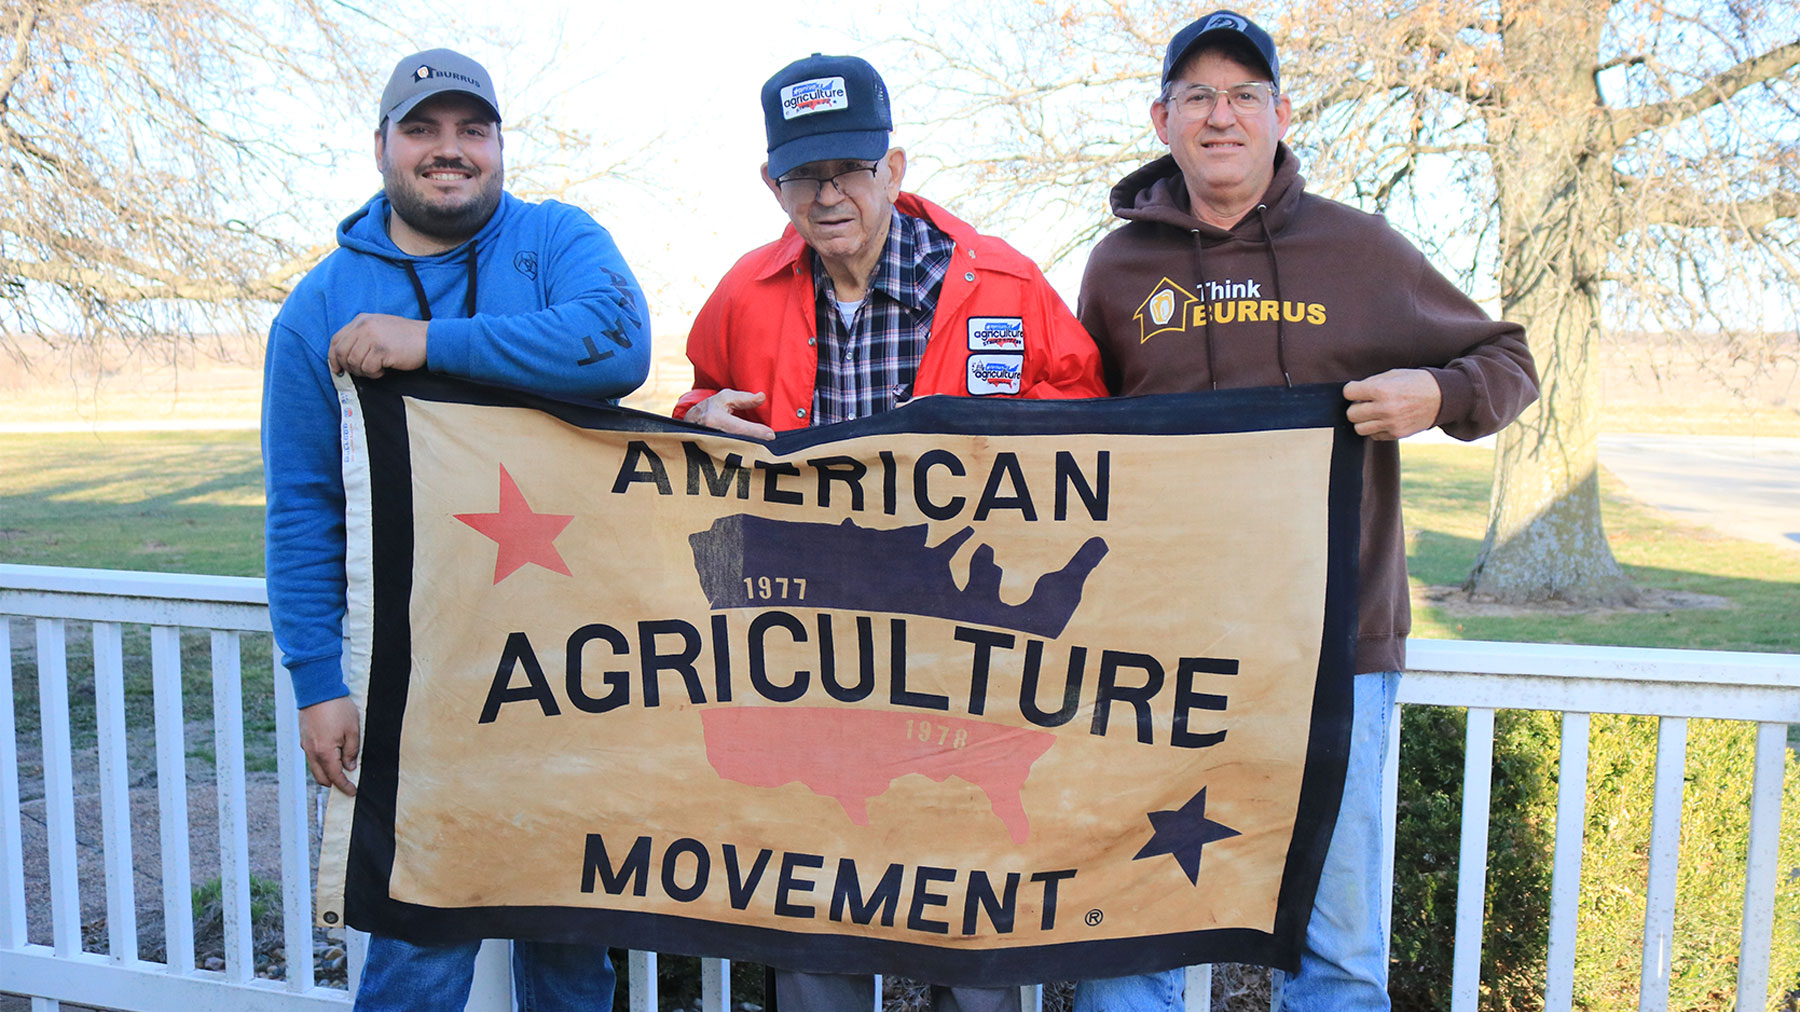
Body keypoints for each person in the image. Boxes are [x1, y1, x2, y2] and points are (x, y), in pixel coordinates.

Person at [1070, 12, 1537, 1012]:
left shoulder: (1360, 253)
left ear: (1282, 113)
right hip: (1158, 654)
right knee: (1133, 931)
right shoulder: (1115, 271)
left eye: (1244, 94)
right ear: (1163, 118)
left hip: (1334, 653)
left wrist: (1435, 396)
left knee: (1340, 946)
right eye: (1197, 95)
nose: (1221, 114)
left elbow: (1508, 361)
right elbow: (1066, 431)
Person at [675, 53, 1105, 1012]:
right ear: (772, 184)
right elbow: (695, 399)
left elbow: (1092, 418)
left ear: (895, 168)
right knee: (820, 920)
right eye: (804, 175)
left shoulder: (1000, 282)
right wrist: (703, 412)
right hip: (818, 660)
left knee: (975, 929)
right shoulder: (746, 291)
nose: (829, 195)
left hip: (965, 651)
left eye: (851, 170)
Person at [262, 47, 650, 1010]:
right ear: (382, 146)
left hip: (573, 662)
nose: (449, 151)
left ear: (498, 144)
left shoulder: (557, 239)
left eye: (470, 129)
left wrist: (426, 344)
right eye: (423, 129)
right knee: (418, 947)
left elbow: (617, 344)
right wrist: (317, 680)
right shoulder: (319, 307)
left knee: (570, 936)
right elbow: (303, 505)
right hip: (413, 672)